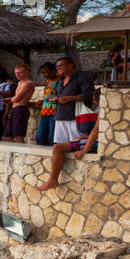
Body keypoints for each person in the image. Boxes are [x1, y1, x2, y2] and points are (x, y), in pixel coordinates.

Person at [36, 57, 96, 191]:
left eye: (61, 66)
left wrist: (68, 98)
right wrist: (58, 100)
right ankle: (54, 178)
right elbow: (60, 96)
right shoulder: (61, 80)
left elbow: (88, 95)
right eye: (57, 67)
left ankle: (54, 180)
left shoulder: (82, 77)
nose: (58, 69)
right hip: (60, 117)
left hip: (76, 119)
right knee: (58, 147)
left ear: (71, 65)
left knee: (66, 147)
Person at [3, 64, 34, 143]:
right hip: (15, 108)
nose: (17, 75)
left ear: (27, 72)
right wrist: (10, 99)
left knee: (18, 135)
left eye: (20, 73)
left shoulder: (28, 83)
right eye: (16, 73)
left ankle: (22, 153)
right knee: (6, 136)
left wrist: (11, 99)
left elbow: (17, 98)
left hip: (21, 109)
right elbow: (15, 98)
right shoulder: (20, 83)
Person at [34, 63, 58, 147]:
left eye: (46, 72)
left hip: (55, 112)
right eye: (42, 73)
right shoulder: (47, 82)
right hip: (45, 111)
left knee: (52, 137)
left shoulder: (60, 81)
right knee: (39, 137)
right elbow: (48, 95)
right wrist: (43, 100)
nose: (44, 75)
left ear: (53, 70)